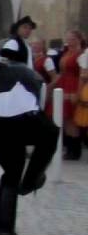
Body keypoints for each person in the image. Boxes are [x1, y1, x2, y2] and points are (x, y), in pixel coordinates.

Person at [0, 49, 58, 235]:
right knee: (51, 134)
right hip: (24, 119)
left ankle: (5, 230)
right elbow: (39, 105)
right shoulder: (31, 74)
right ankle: (31, 181)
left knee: (11, 173)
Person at [51, 31, 83, 159]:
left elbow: (82, 74)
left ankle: (75, 151)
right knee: (64, 116)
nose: (70, 41)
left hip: (74, 85)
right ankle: (69, 147)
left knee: (71, 118)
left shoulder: (81, 54)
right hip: (64, 84)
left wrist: (78, 93)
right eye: (68, 39)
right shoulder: (67, 53)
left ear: (79, 40)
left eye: (73, 39)